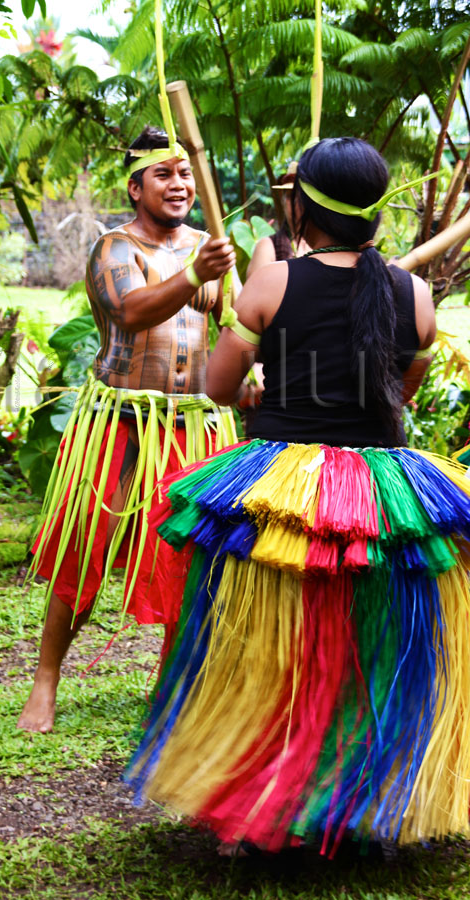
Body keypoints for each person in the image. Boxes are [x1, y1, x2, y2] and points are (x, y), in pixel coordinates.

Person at [125, 137, 470, 854]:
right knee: (369, 654)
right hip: (382, 492)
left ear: (303, 208)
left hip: (285, 492)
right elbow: (400, 392)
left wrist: (265, 378)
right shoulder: (414, 294)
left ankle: (263, 807)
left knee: (272, 654)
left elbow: (220, 387)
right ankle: (365, 808)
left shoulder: (272, 283)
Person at [18, 125, 238, 733]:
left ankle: (171, 689)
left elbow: (231, 321)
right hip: (120, 423)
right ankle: (46, 680)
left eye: (185, 173)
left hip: (193, 424)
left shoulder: (206, 245)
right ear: (136, 187)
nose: (179, 184)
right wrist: (195, 276)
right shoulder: (114, 249)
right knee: (84, 549)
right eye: (163, 174)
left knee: (187, 557)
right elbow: (134, 312)